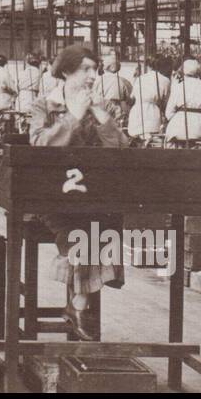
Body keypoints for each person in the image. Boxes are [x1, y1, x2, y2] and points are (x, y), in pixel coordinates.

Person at [28, 43, 128, 335]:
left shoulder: (104, 107)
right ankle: (80, 306)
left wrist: (98, 113)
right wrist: (73, 117)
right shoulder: (44, 106)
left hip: (94, 196)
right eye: (85, 69)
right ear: (66, 70)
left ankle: (78, 305)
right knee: (84, 230)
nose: (92, 75)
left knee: (104, 225)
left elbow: (121, 148)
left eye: (94, 69)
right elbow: (39, 146)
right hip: (52, 198)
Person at [165, 58, 201, 142]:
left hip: (178, 127)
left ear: (183, 71)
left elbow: (168, 113)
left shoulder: (177, 87)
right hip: (200, 128)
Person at [127, 54, 171, 142]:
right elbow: (166, 102)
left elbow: (132, 98)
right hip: (153, 114)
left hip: (137, 113)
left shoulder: (140, 79)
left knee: (137, 138)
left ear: (148, 65)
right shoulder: (165, 80)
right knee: (154, 139)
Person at [93, 49, 133, 124]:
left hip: (101, 112)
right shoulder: (124, 82)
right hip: (118, 114)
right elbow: (130, 99)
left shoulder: (97, 81)